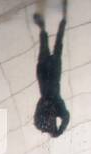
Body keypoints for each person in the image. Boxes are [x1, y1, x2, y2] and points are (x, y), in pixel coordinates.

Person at [33, 5, 70, 137]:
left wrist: (53, 130)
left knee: (45, 47)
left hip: (43, 73)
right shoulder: (58, 105)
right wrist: (60, 130)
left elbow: (37, 120)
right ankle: (63, 20)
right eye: (52, 118)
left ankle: (43, 27)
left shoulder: (41, 119)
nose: (51, 116)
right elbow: (66, 117)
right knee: (57, 46)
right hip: (53, 72)